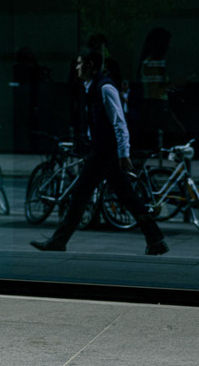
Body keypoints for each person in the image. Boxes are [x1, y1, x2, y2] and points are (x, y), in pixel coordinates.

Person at [31, 38, 168, 256]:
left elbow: (119, 123)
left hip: (106, 153)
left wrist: (124, 154)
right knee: (126, 198)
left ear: (90, 66)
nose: (76, 67)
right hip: (103, 151)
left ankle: (59, 241)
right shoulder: (92, 88)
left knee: (81, 195)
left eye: (79, 63)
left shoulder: (105, 88)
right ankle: (155, 239)